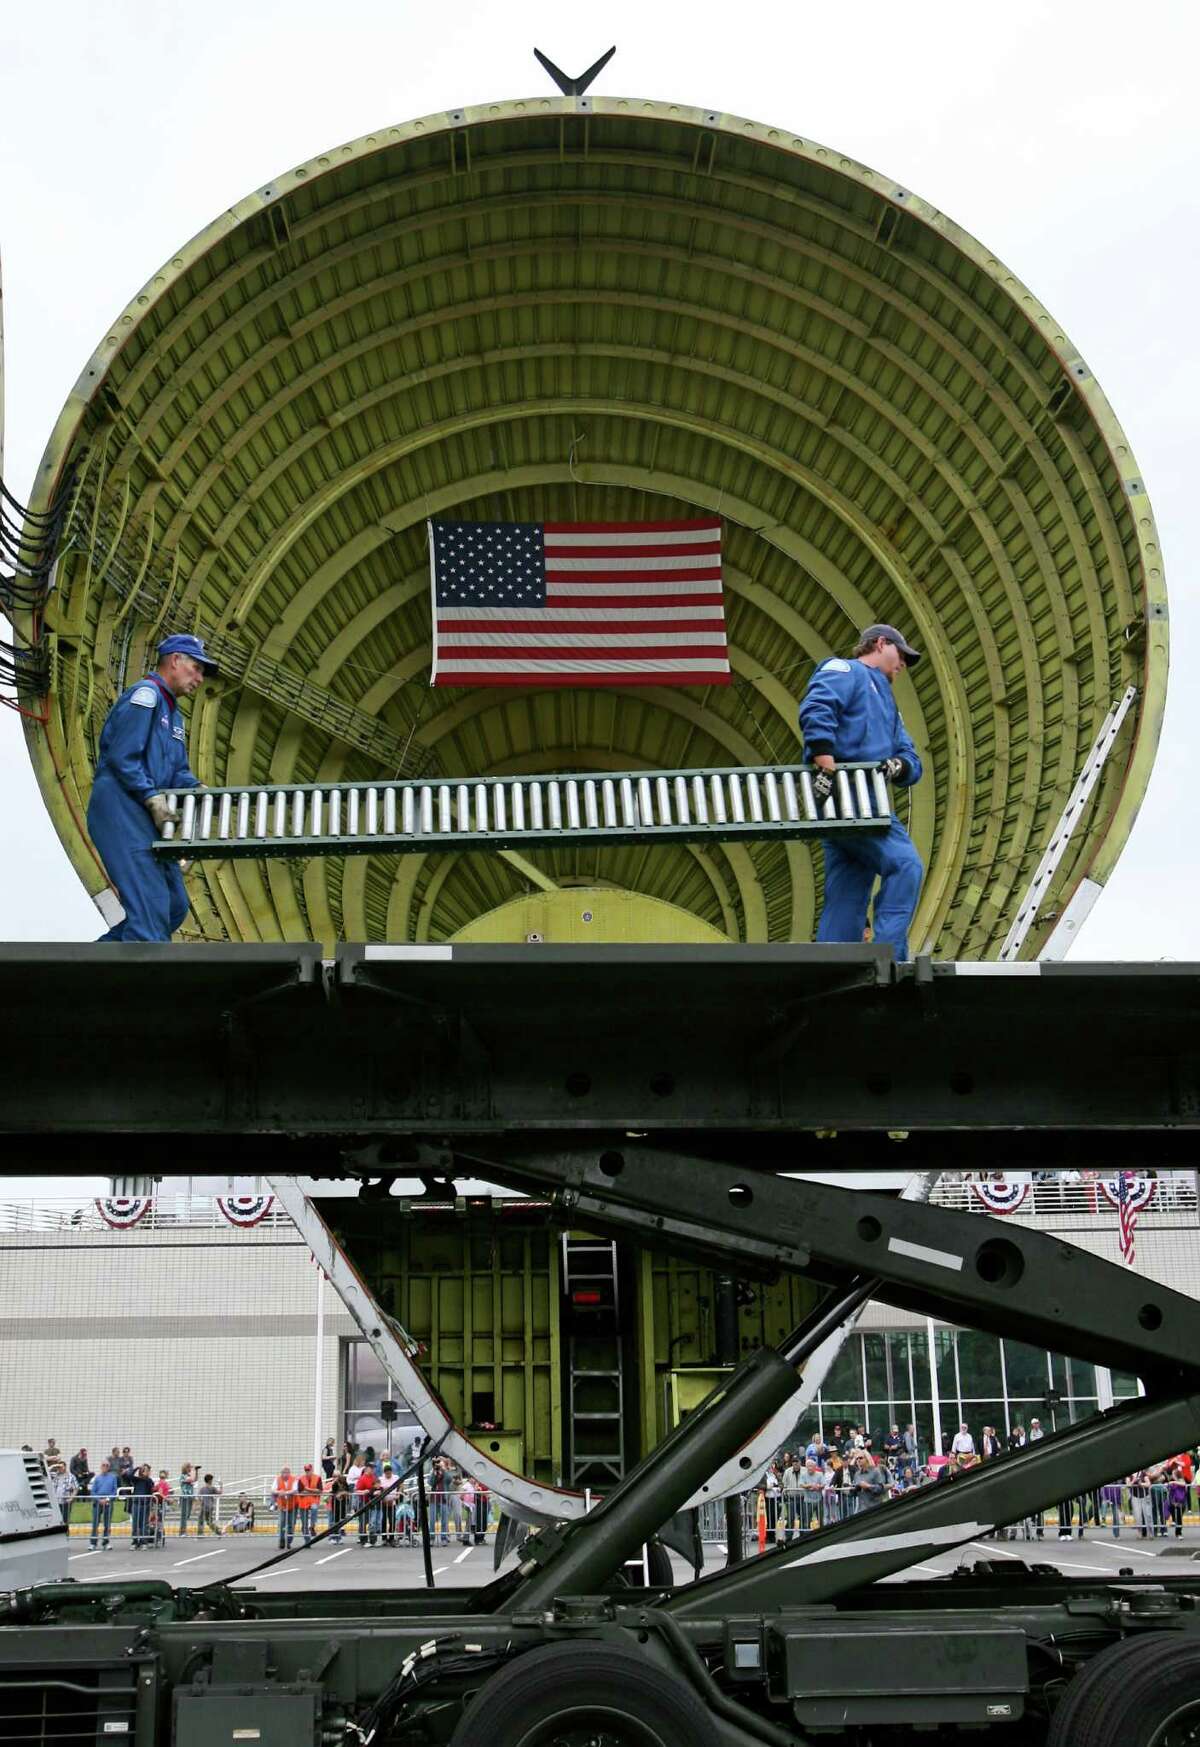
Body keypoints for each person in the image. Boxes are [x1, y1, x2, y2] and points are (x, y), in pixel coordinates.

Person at [798, 624, 924, 960]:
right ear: (881, 643)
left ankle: (831, 964)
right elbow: (818, 706)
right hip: (854, 800)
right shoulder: (846, 670)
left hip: (853, 804)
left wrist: (899, 766)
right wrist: (825, 761)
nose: (904, 665)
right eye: (902, 655)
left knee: (848, 892)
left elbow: (910, 757)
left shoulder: (889, 706)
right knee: (906, 865)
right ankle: (889, 957)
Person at [86, 632, 218, 943]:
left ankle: (80, 970)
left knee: (173, 907)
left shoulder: (174, 716)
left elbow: (176, 771)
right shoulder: (145, 696)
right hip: (122, 808)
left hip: (145, 815)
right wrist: (152, 797)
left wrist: (195, 787)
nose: (200, 678)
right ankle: (109, 985)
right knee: (151, 910)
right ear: (175, 660)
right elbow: (123, 757)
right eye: (196, 668)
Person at [89, 1458, 119, 1549]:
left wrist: (107, 1499)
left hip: (108, 1502)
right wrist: (99, 1500)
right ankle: (93, 1543)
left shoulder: (113, 1477)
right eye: (103, 1465)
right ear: (101, 1467)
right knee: (95, 1523)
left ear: (109, 1467)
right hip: (98, 1502)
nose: (105, 1467)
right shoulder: (97, 1478)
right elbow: (93, 1492)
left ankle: (106, 1542)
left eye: (107, 1465)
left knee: (107, 1523)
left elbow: (114, 1491)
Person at [128, 1464, 155, 1549]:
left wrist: (146, 1475)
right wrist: (137, 1468)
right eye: (144, 1470)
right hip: (136, 1503)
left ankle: (144, 1542)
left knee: (144, 1524)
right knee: (135, 1524)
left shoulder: (149, 1481)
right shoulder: (136, 1480)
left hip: (145, 1504)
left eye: (147, 1470)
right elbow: (129, 1476)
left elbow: (150, 1487)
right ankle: (135, 1541)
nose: (145, 1471)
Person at [296, 1464, 322, 1546]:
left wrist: (308, 1490)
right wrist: (313, 1491)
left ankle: (312, 1526)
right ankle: (307, 1541)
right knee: (304, 1523)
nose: (307, 1472)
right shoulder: (301, 1479)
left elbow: (320, 1490)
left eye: (309, 1470)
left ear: (312, 1470)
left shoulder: (317, 1478)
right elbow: (300, 1491)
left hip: (313, 1501)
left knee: (314, 1508)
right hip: (303, 1502)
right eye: (306, 1470)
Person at [273, 1468, 299, 1549]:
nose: (285, 1474)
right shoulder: (277, 1479)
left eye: (287, 1472)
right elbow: (273, 1489)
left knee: (291, 1524)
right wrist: (279, 1492)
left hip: (293, 1505)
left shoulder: (294, 1479)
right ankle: (281, 1540)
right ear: (281, 1473)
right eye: (284, 1473)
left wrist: (286, 1492)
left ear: (289, 1473)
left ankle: (289, 1541)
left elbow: (295, 1489)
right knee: (282, 1523)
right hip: (282, 1505)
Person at [177, 1464, 196, 1537]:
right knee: (184, 1515)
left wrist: (196, 1471)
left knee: (187, 1514)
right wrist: (193, 1471)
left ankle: (183, 1530)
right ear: (185, 1468)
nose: (190, 1468)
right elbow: (191, 1479)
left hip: (190, 1497)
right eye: (189, 1467)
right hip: (184, 1497)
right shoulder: (183, 1476)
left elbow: (195, 1479)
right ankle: (182, 1532)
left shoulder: (189, 1475)